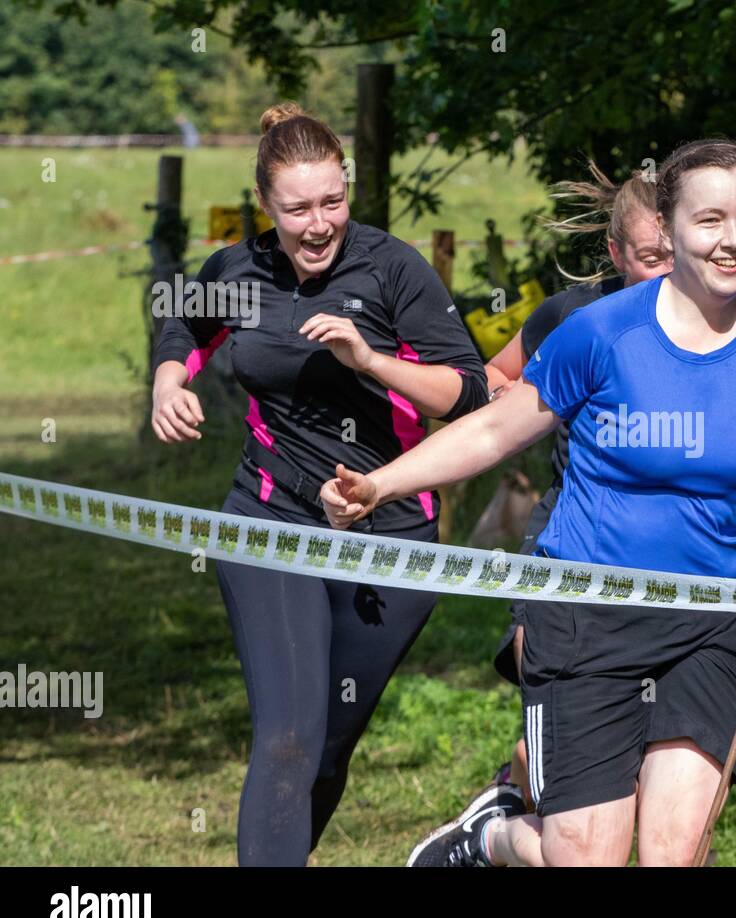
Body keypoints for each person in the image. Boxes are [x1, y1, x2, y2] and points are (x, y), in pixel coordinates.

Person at [325, 138, 736, 867]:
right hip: (584, 613)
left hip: (708, 621)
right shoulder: (602, 333)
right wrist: (381, 483)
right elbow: (492, 431)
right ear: (669, 232)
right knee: (582, 857)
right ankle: (491, 839)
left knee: (674, 854)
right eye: (710, 221)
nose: (733, 240)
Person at [406, 162, 736, 864]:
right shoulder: (574, 319)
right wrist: (511, 424)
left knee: (659, 818)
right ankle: (494, 832)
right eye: (648, 259)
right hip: (570, 554)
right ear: (615, 255)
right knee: (577, 833)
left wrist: (714, 550)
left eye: (673, 252)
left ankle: (511, 799)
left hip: (690, 581)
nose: (668, 270)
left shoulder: (729, 328)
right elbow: (494, 382)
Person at [150, 102, 488, 865]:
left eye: (332, 202)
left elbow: (468, 395)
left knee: (326, 752)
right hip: (270, 520)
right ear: (265, 206)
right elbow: (184, 324)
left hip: (391, 542)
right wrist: (172, 379)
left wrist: (369, 359)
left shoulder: (392, 268)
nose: (317, 224)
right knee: (288, 739)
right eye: (296, 208)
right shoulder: (240, 270)